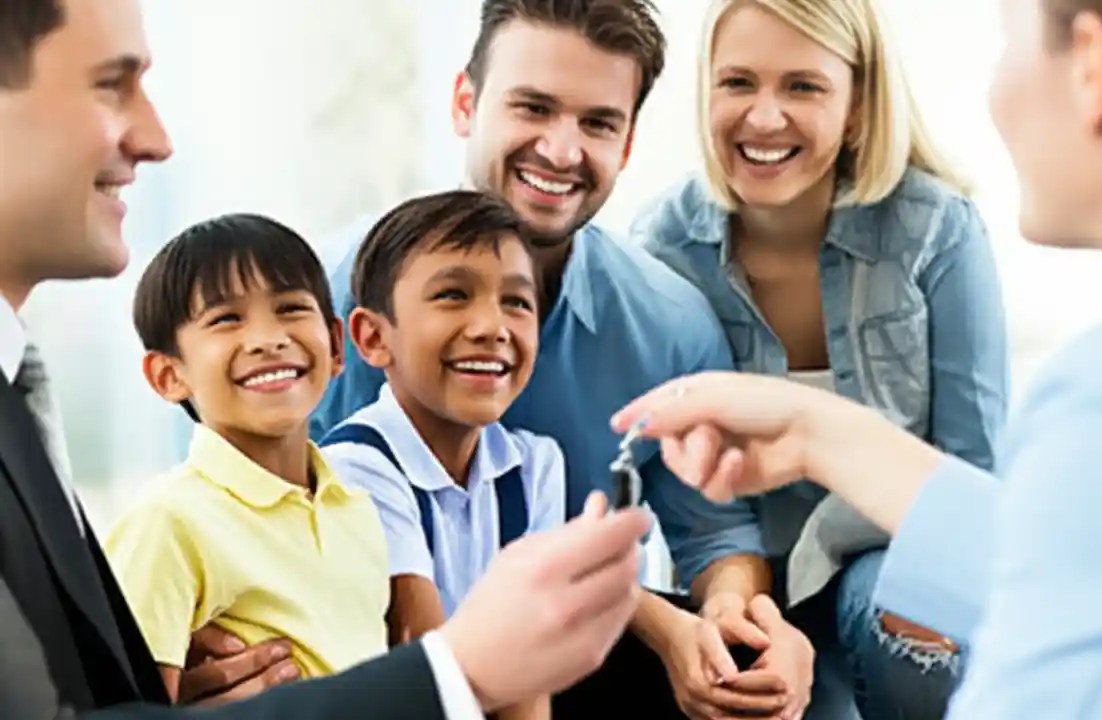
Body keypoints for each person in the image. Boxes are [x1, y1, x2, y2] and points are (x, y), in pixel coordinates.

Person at [613, 0, 1102, 717]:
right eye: (738, 82)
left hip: (881, 594)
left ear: (1094, 66)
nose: (992, 95)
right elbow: (1040, 559)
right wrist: (814, 435)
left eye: (1006, 42)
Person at [0, 0, 651, 717]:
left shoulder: (351, 502)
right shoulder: (179, 517)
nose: (156, 138)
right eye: (111, 83)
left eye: (291, 311)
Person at [312, 1, 814, 717]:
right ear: (466, 103)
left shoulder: (669, 326)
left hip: (582, 664)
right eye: (533, 108)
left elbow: (715, 535)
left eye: (597, 123)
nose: (560, 150)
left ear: (628, 143)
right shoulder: (333, 296)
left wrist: (737, 627)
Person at [630, 0, 1008, 715]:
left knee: (913, 611)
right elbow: (682, 500)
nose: (764, 118)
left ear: (859, 105)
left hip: (892, 585)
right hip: (738, 586)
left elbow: (972, 478)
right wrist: (742, 611)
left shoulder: (936, 232)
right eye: (738, 82)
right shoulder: (663, 250)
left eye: (803, 86)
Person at [102, 214, 392, 698]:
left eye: (291, 308)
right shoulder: (167, 523)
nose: (268, 338)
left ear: (337, 346)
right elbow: (129, 710)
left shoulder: (356, 508)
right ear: (168, 375)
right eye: (226, 319)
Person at [321, 191, 562, 720]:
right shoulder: (354, 467)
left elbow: (535, 661)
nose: (491, 327)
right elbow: (429, 665)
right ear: (372, 337)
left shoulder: (536, 466)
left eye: (517, 302)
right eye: (453, 295)